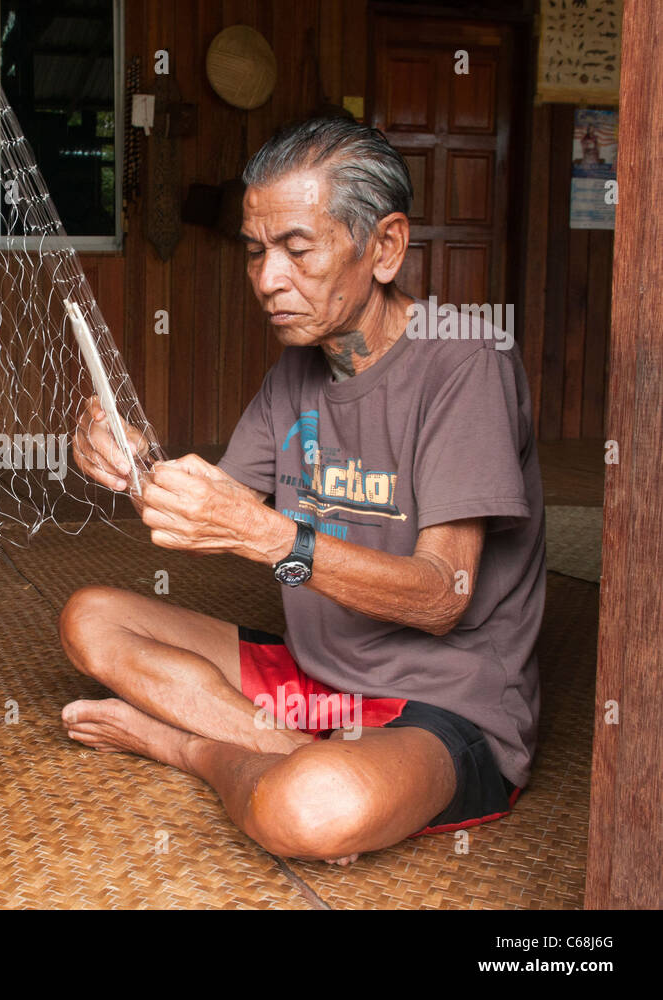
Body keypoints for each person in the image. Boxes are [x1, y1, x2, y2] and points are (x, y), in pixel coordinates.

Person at [61, 116, 545, 865]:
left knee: (309, 811)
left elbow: (442, 596)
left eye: (295, 249)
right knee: (90, 618)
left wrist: (266, 535)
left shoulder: (465, 362)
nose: (266, 279)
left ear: (384, 247)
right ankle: (282, 746)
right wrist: (133, 464)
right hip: (312, 679)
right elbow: (209, 506)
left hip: (441, 705)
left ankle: (189, 747)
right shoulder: (300, 368)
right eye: (256, 252)